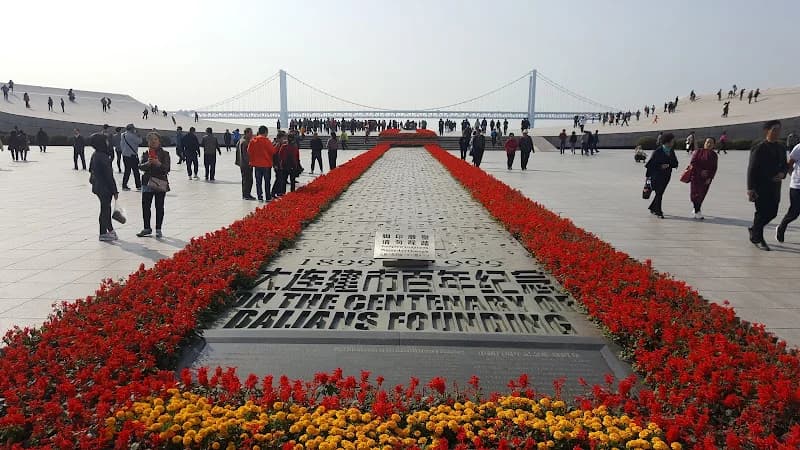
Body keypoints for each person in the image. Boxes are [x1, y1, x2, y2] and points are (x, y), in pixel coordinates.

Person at [747, 120, 787, 250]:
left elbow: (785, 165)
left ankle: (754, 229)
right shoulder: (759, 147)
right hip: (761, 185)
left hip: (775, 186)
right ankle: (758, 238)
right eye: (774, 129)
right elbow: (751, 168)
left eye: (779, 129)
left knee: (773, 213)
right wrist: (750, 188)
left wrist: (782, 173)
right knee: (762, 212)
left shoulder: (781, 147)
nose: (777, 132)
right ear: (767, 130)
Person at [136, 132, 171, 238]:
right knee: (146, 206)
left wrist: (158, 163)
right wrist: (148, 163)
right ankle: (146, 228)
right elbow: (140, 166)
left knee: (159, 206)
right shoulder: (145, 153)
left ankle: (158, 228)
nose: (153, 141)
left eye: (155, 139)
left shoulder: (165, 154)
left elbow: (167, 169)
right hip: (147, 182)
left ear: (159, 141)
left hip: (160, 182)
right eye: (150, 139)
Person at [88, 133, 119, 241]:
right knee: (105, 209)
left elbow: (90, 169)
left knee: (105, 208)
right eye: (106, 140)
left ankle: (108, 230)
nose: (107, 142)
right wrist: (115, 190)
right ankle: (104, 232)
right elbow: (109, 176)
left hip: (98, 186)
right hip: (104, 187)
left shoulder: (95, 154)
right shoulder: (103, 156)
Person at [644, 132, 679, 218]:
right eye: (672, 141)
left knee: (660, 193)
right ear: (666, 142)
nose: (673, 143)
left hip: (666, 176)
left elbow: (675, 163)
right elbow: (650, 165)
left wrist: (669, 165)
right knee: (659, 193)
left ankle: (652, 207)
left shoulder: (671, 151)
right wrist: (660, 166)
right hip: (657, 176)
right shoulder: (658, 151)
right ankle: (658, 211)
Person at [688, 137, 719, 220]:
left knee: (702, 194)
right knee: (695, 194)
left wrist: (710, 177)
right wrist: (700, 171)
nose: (708, 144)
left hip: (706, 178)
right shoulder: (698, 152)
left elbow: (714, 168)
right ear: (704, 143)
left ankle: (696, 209)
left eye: (711, 143)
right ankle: (698, 211)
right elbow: (693, 163)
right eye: (707, 142)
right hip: (696, 176)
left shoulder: (714, 155)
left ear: (714, 145)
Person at [777, 139, 800, 242]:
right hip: (797, 186)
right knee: (794, 212)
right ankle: (782, 227)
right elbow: (790, 162)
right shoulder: (799, 147)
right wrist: (793, 176)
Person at [247, 125, 275, 202]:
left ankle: (260, 196)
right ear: (265, 132)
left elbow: (249, 151)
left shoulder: (253, 141)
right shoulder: (267, 141)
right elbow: (273, 151)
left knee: (258, 182)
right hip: (266, 164)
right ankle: (268, 197)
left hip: (257, 165)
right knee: (267, 182)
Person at [120, 124, 143, 190]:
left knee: (127, 171)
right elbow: (140, 141)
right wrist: (139, 135)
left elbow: (121, 144)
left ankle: (124, 185)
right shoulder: (132, 135)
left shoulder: (123, 135)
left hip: (125, 155)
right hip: (132, 155)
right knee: (136, 171)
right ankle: (138, 185)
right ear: (131, 129)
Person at [235, 127, 256, 200]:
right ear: (246, 133)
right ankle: (246, 195)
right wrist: (250, 163)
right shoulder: (245, 142)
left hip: (242, 164)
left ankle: (246, 194)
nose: (252, 135)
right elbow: (246, 155)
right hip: (246, 164)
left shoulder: (240, 140)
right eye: (250, 133)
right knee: (248, 180)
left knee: (245, 180)